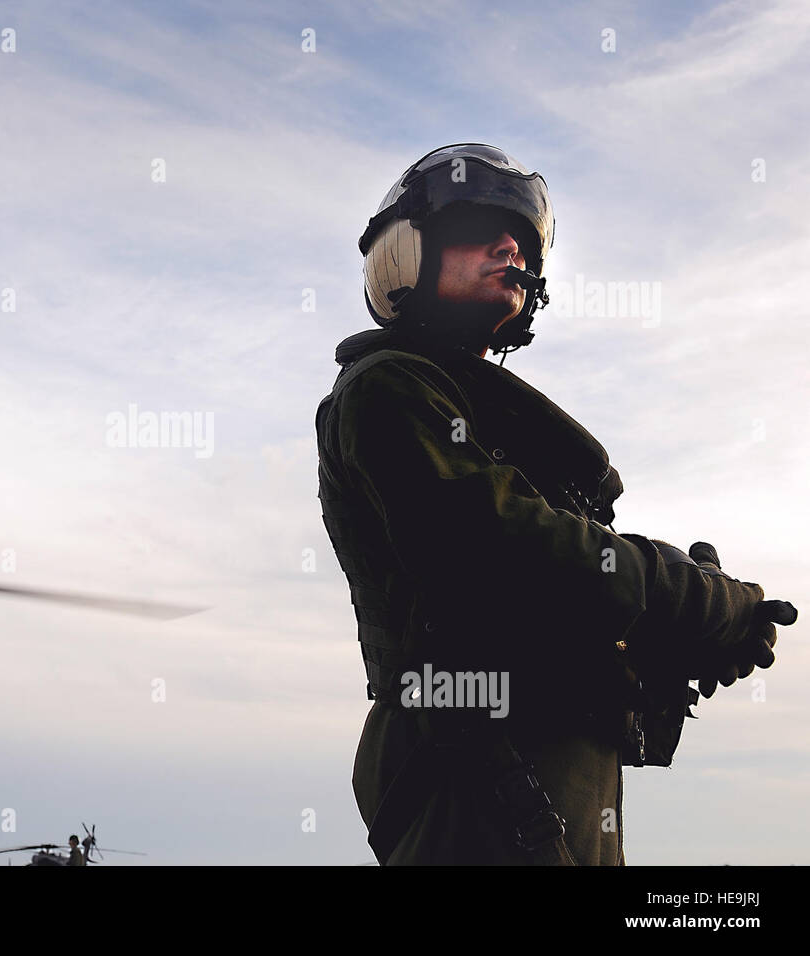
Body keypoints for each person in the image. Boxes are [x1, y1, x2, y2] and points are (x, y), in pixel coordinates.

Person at [315, 143, 794, 865]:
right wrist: (694, 598)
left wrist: (678, 644)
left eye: (520, 240)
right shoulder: (387, 390)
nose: (510, 248)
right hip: (474, 775)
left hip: (551, 783)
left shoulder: (493, 425)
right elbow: (503, 547)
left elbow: (551, 611)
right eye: (478, 230)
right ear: (405, 252)